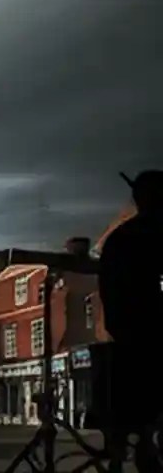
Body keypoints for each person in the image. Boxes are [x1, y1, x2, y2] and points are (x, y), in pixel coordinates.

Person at [97, 170, 163, 472]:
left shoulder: (119, 241)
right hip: (144, 341)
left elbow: (110, 296)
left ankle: (123, 449)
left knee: (134, 427)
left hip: (130, 343)